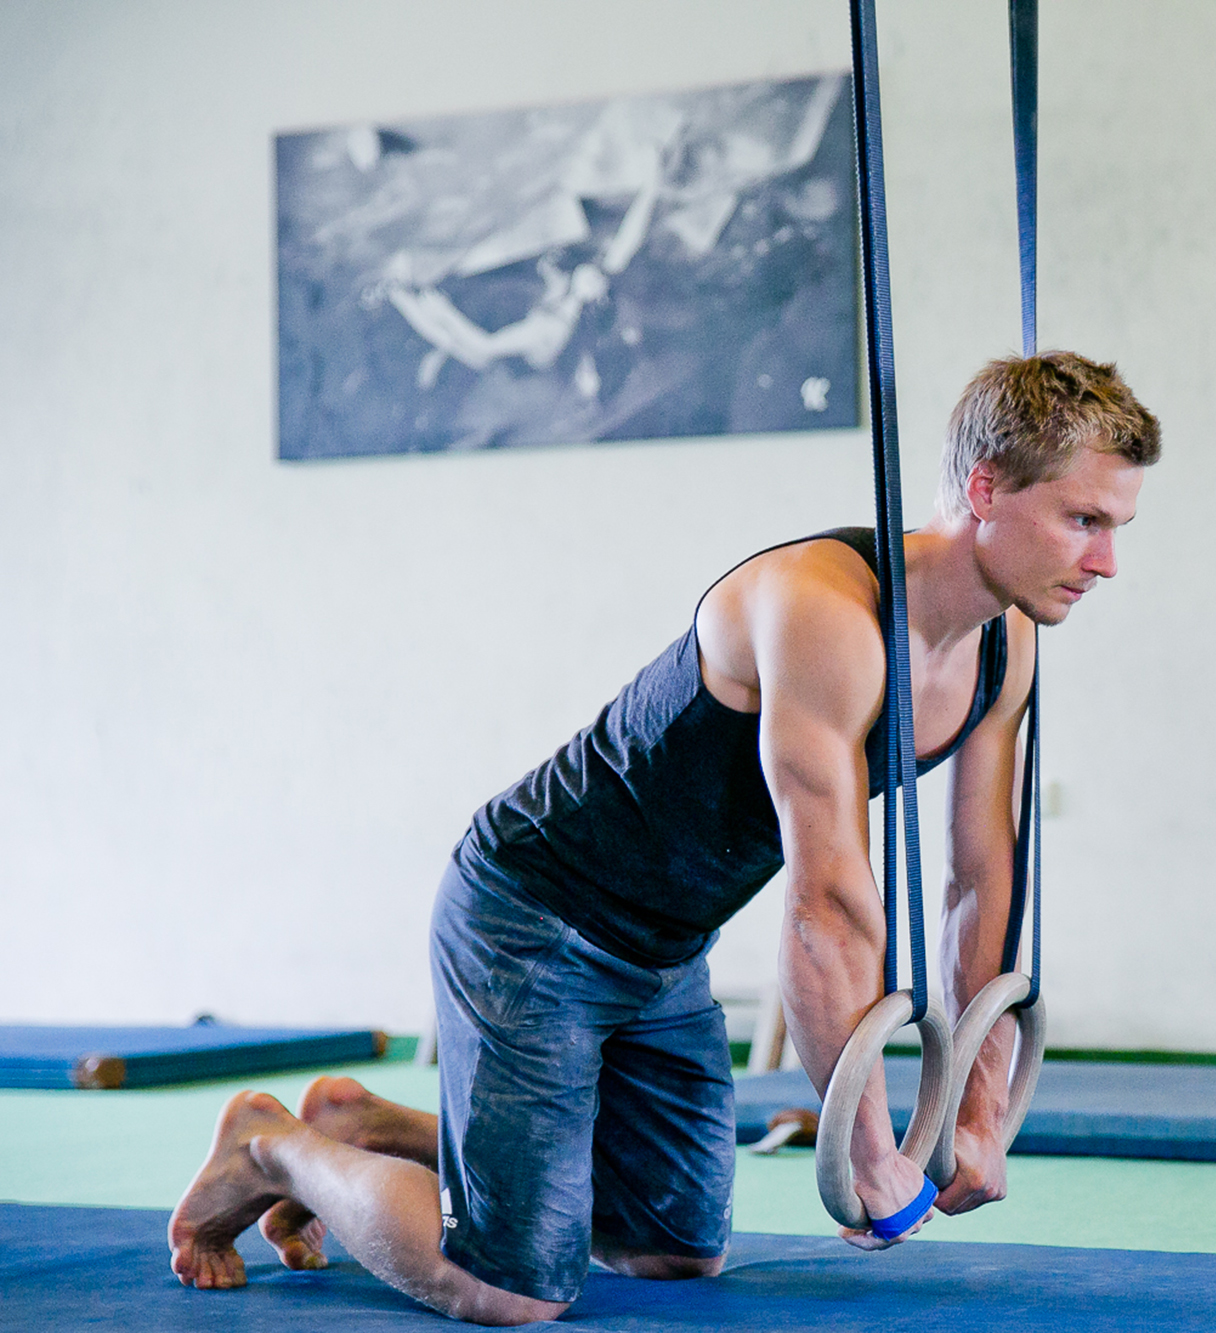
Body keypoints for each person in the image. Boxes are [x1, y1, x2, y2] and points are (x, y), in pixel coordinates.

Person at [167, 351, 1162, 1326]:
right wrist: (865, 1150)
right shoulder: (824, 613)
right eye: (1082, 520)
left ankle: (358, 1123)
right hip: (532, 911)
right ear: (983, 488)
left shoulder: (1008, 642)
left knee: (670, 1247)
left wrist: (975, 1113)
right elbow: (826, 903)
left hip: (662, 946)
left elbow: (981, 884)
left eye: (1115, 525)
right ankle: (274, 1148)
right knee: (515, 1283)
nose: (1106, 559)